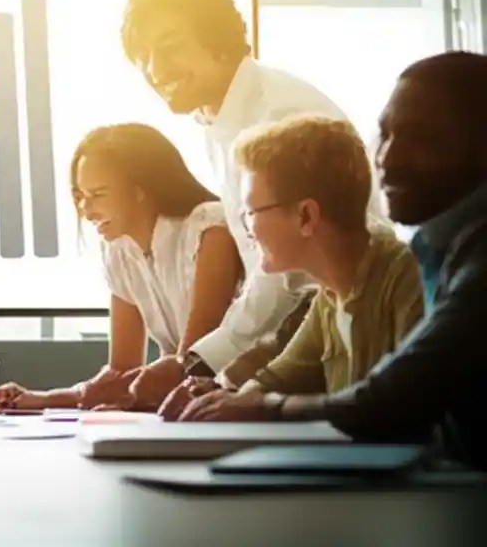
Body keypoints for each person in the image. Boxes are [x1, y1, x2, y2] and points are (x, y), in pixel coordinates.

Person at [179, 52, 487, 470]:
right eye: (386, 135)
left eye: (423, 137)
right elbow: (274, 379)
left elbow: (389, 402)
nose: (389, 159)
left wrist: (262, 405)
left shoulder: (444, 270)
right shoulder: (343, 288)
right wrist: (225, 395)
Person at [118, 0, 386, 413]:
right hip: (302, 328)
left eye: (168, 47)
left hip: (341, 325)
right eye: (142, 56)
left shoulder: (278, 113)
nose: (154, 69)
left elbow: (286, 275)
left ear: (217, 38)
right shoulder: (217, 119)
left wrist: (198, 363)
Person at [171, 116, 422, 420]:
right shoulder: (329, 297)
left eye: (251, 211)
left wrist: (252, 403)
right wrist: (215, 395)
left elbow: (401, 403)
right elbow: (276, 379)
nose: (246, 228)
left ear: (306, 216)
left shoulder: (409, 279)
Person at [0, 124, 242, 412]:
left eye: (98, 194)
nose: (86, 208)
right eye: (80, 195)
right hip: (185, 403)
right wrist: (41, 399)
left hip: (235, 398)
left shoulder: (209, 229)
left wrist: (133, 395)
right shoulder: (119, 250)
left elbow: (192, 362)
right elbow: (120, 371)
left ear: (140, 190)